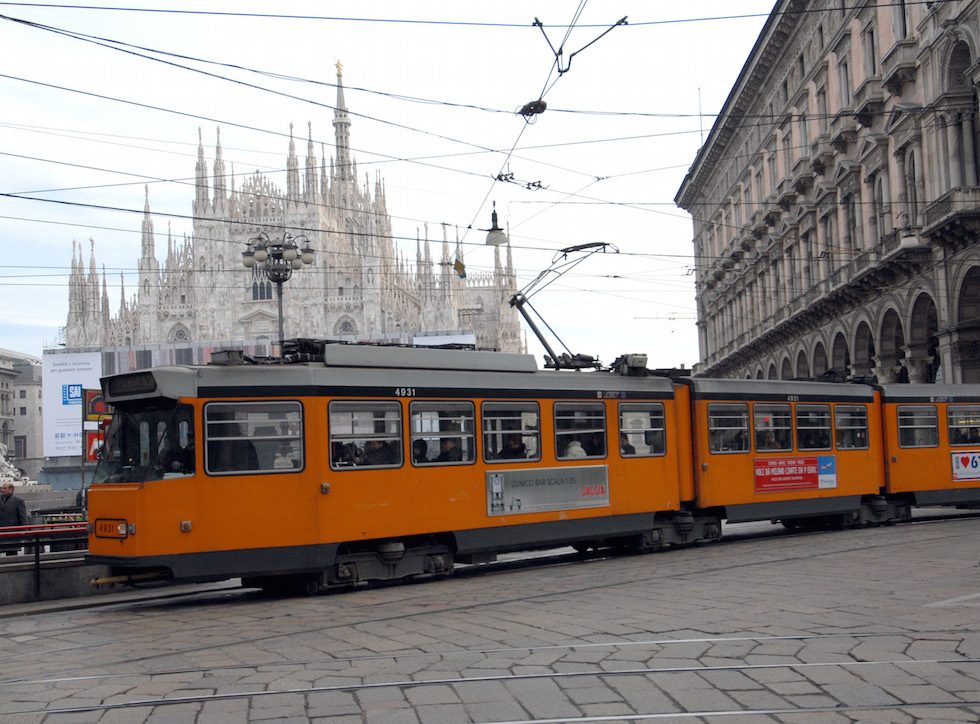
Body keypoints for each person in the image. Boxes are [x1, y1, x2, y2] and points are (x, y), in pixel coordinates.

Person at [0, 482, 29, 556]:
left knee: (11, 556)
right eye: (2, 488)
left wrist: (23, 532)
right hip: (1, 533)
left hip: (12, 535)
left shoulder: (18, 501)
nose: (2, 490)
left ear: (11, 489)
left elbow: (23, 518)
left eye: (4, 488)